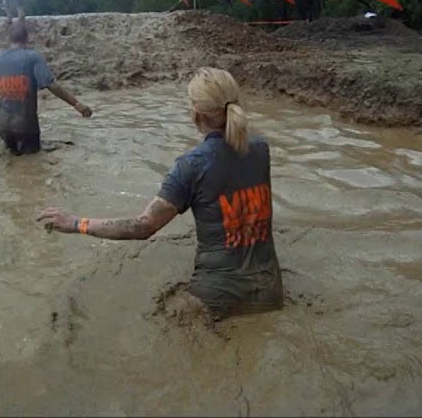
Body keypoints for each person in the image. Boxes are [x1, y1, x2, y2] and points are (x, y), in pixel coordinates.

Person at [37, 67, 283, 319]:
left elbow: (143, 227)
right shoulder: (260, 149)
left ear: (196, 113)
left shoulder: (191, 165)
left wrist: (77, 223)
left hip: (217, 295)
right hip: (270, 289)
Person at [0, 21, 91, 155]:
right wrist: (77, 104)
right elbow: (52, 85)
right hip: (25, 126)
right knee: (32, 168)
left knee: (12, 162)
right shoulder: (32, 57)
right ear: (27, 38)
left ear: (9, 39)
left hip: (2, 126)